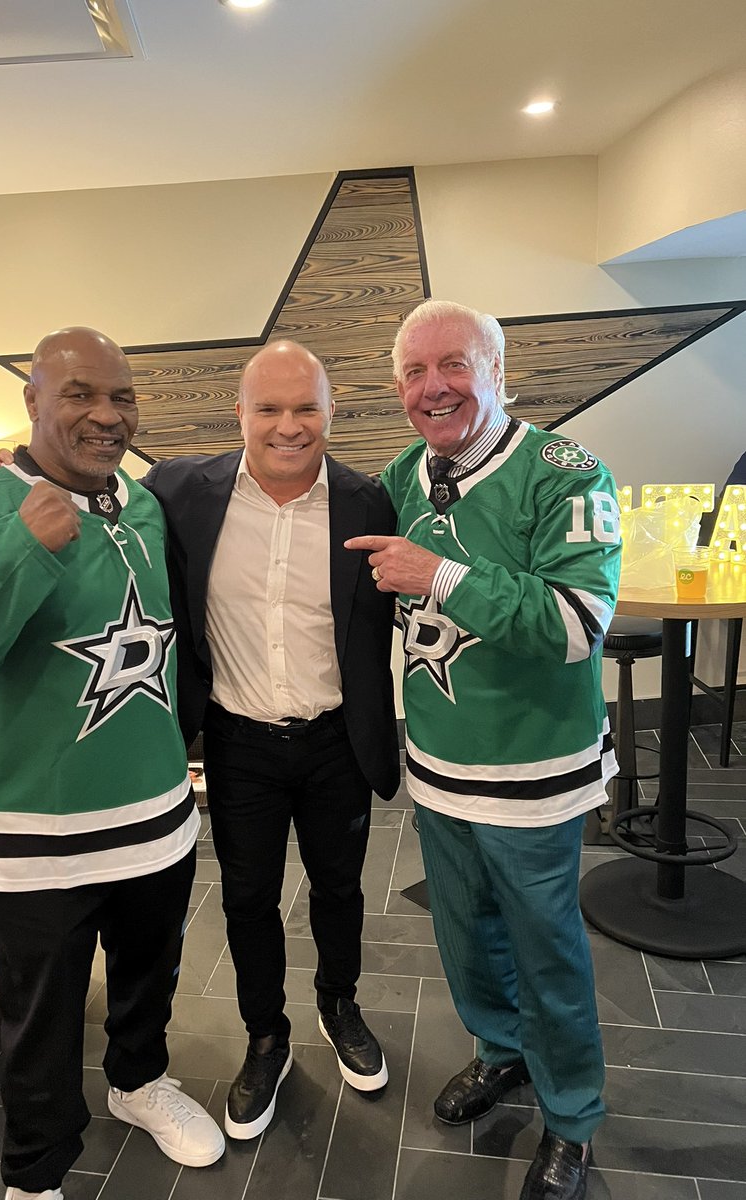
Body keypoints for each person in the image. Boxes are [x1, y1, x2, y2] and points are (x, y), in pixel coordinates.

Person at [0, 328, 224, 1200]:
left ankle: (139, 1082)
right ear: (32, 399)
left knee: (149, 980)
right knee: (39, 1025)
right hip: (37, 836)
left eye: (122, 396)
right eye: (79, 393)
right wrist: (20, 547)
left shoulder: (144, 503)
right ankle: (36, 1175)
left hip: (157, 818)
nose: (106, 415)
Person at [346, 300, 621, 1200]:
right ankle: (502, 1049)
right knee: (466, 937)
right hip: (439, 765)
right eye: (415, 372)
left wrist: (441, 576)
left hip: (535, 771)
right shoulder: (400, 475)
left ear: (499, 372)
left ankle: (571, 1118)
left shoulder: (564, 473)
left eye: (455, 365)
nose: (434, 388)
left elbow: (576, 624)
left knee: (548, 951)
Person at [143, 339, 400, 1139]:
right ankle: (266, 1037)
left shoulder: (369, 502)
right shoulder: (180, 491)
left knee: (340, 887)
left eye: (305, 408)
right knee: (248, 897)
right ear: (239, 413)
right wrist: (18, 476)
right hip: (237, 740)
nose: (289, 426)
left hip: (335, 739)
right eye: (269, 409)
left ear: (331, 412)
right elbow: (99, 509)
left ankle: (339, 1004)